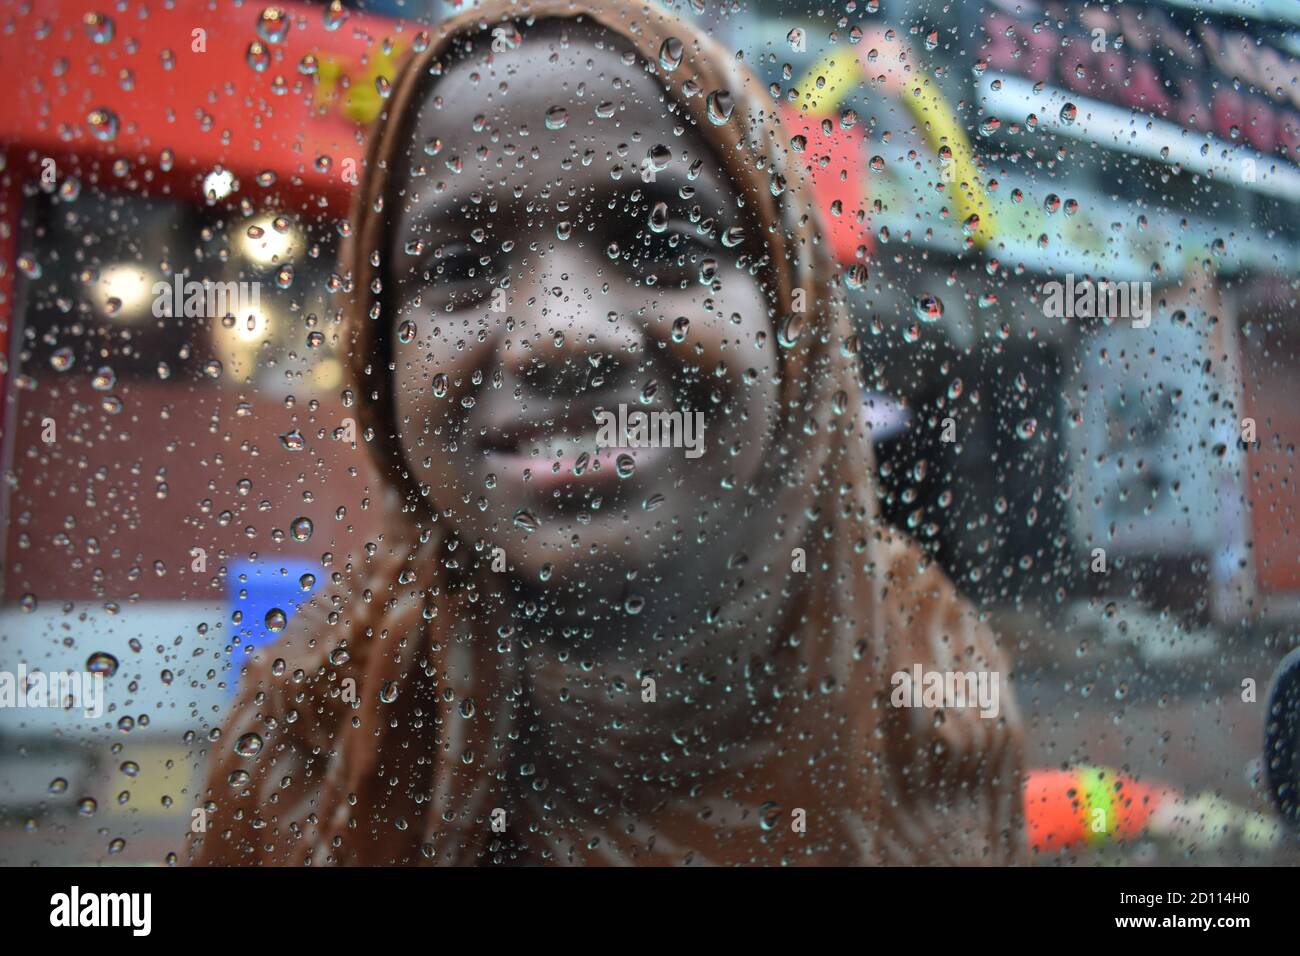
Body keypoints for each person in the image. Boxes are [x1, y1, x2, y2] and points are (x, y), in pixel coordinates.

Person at [189, 0, 1024, 865]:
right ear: (377, 353)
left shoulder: (928, 677)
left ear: (791, 310)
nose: (562, 333)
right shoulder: (313, 723)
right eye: (461, 268)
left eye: (662, 238)